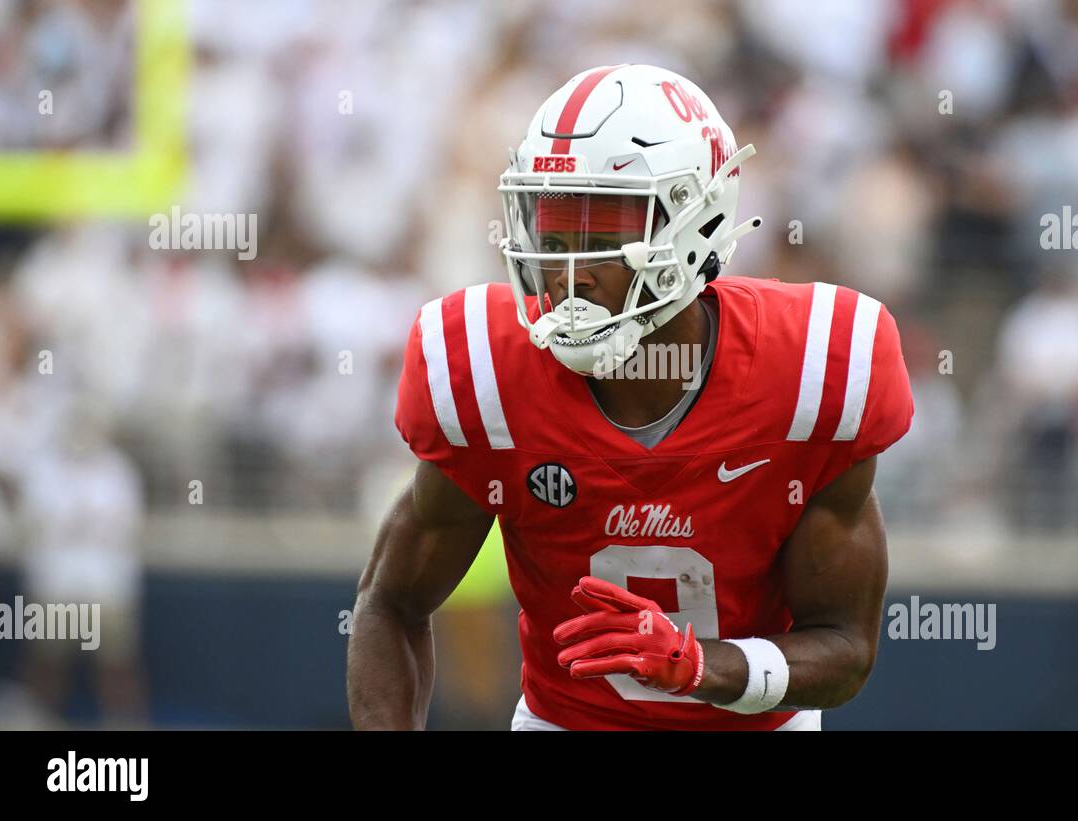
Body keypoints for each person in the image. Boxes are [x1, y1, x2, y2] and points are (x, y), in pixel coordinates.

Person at [347, 64, 913, 730]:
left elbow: (846, 649)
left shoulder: (812, 370)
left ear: (695, 223)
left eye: (600, 235)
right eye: (553, 234)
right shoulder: (491, 374)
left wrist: (706, 666)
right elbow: (390, 603)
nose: (567, 271)